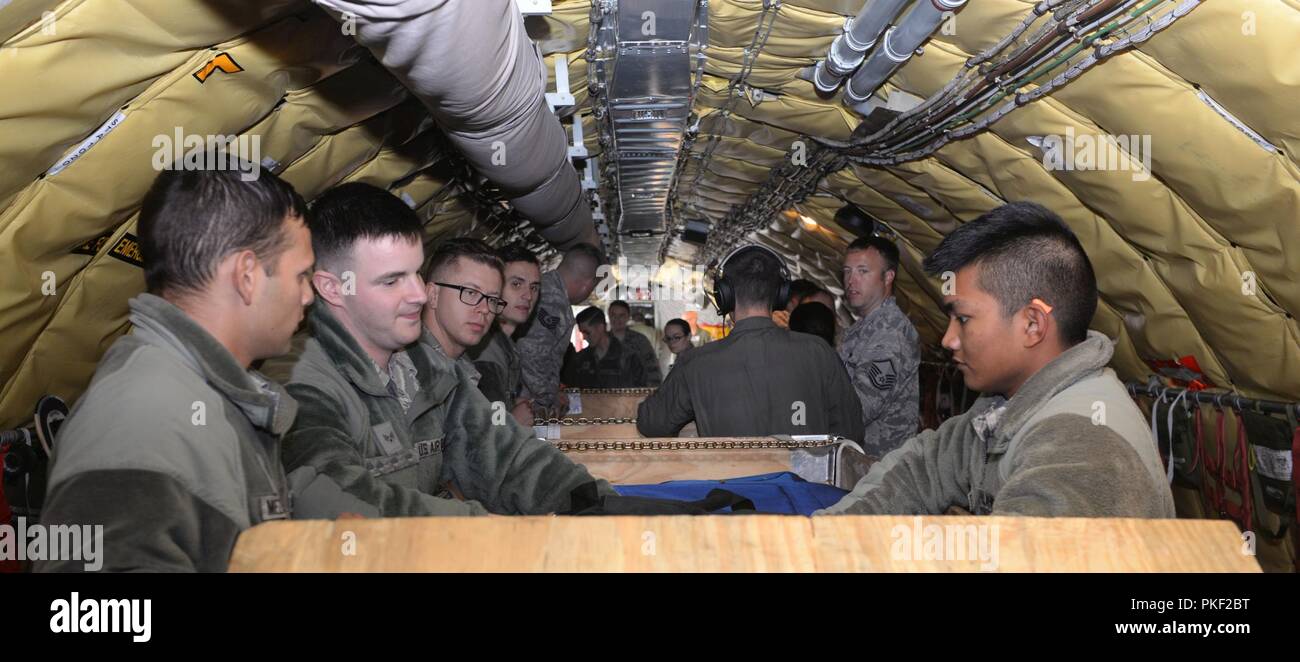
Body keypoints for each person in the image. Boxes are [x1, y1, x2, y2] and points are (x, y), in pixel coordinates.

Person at [270, 183, 614, 518]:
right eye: (392, 280)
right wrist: (482, 529)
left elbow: (508, 456)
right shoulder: (301, 385)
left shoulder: (426, 368)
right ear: (333, 288)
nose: (419, 294)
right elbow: (339, 504)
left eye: (415, 274)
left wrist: (598, 504)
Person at [818, 202, 1175, 518]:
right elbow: (921, 467)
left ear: (1032, 323)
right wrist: (818, 540)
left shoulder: (1084, 447)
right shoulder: (1003, 405)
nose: (948, 339)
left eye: (964, 318)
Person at [37, 165, 315, 572]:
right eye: (302, 276)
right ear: (248, 275)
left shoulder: (208, 399)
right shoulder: (141, 420)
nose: (308, 296)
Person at [636, 245, 864, 440]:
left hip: (730, 490)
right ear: (780, 295)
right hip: (806, 490)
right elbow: (851, 433)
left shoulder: (695, 363)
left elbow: (652, 424)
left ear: (724, 297)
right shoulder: (819, 352)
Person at [839, 235, 921, 456]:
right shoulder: (864, 328)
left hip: (879, 470)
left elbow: (859, 410)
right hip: (862, 465)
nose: (851, 281)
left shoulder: (890, 333)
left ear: (888, 277)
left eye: (863, 271)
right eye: (847, 271)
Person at [515, 243, 604, 414]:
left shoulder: (544, 287)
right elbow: (532, 352)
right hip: (526, 403)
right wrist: (548, 397)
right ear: (587, 284)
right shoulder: (552, 302)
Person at [466, 243, 540, 426]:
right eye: (516, 284)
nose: (528, 296)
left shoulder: (504, 345)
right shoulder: (485, 351)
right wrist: (514, 421)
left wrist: (513, 405)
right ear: (495, 287)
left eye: (534, 287)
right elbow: (488, 431)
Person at [568, 307, 647, 388]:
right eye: (582, 333)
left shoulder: (629, 356)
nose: (584, 337)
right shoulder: (580, 359)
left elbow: (642, 391)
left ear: (600, 328)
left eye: (587, 332)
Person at [607, 300, 662, 386]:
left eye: (621, 315)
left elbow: (653, 369)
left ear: (628, 317)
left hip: (636, 393)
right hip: (608, 395)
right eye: (613, 315)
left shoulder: (640, 340)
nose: (617, 319)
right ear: (609, 316)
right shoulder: (602, 341)